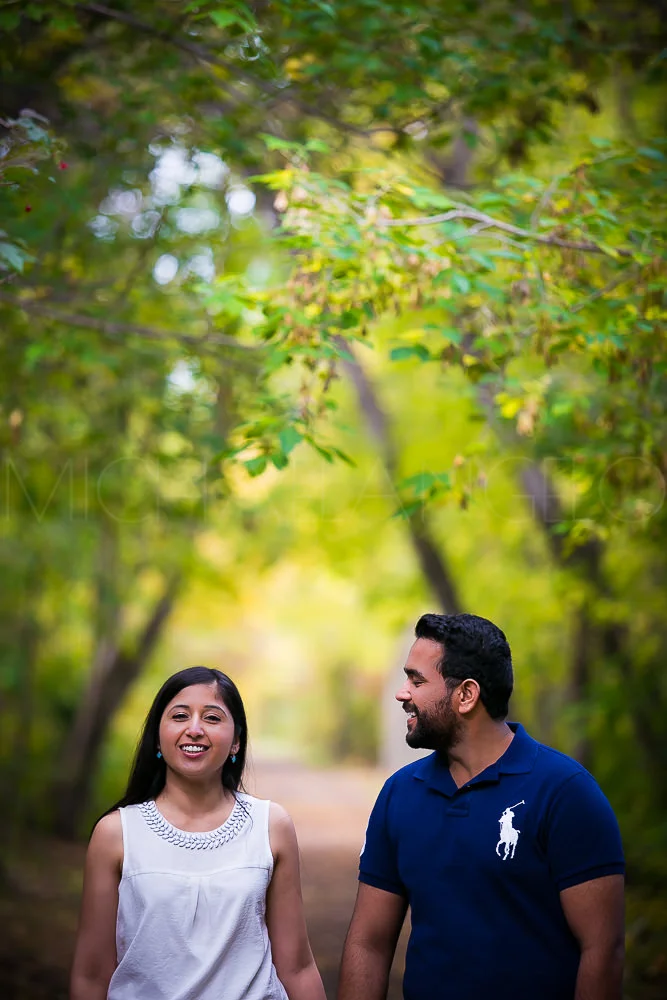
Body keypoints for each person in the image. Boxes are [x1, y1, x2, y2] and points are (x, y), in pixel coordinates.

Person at [338, 613, 625, 1000]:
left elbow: (603, 951)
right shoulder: (399, 794)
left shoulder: (565, 792)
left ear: (466, 695)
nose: (402, 693)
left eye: (417, 680)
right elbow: (368, 943)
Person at [70, 665, 326, 1000]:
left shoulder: (270, 825)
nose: (194, 729)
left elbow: (297, 966)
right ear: (158, 737)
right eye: (179, 716)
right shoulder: (116, 833)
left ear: (236, 742)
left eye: (212, 718)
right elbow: (92, 974)